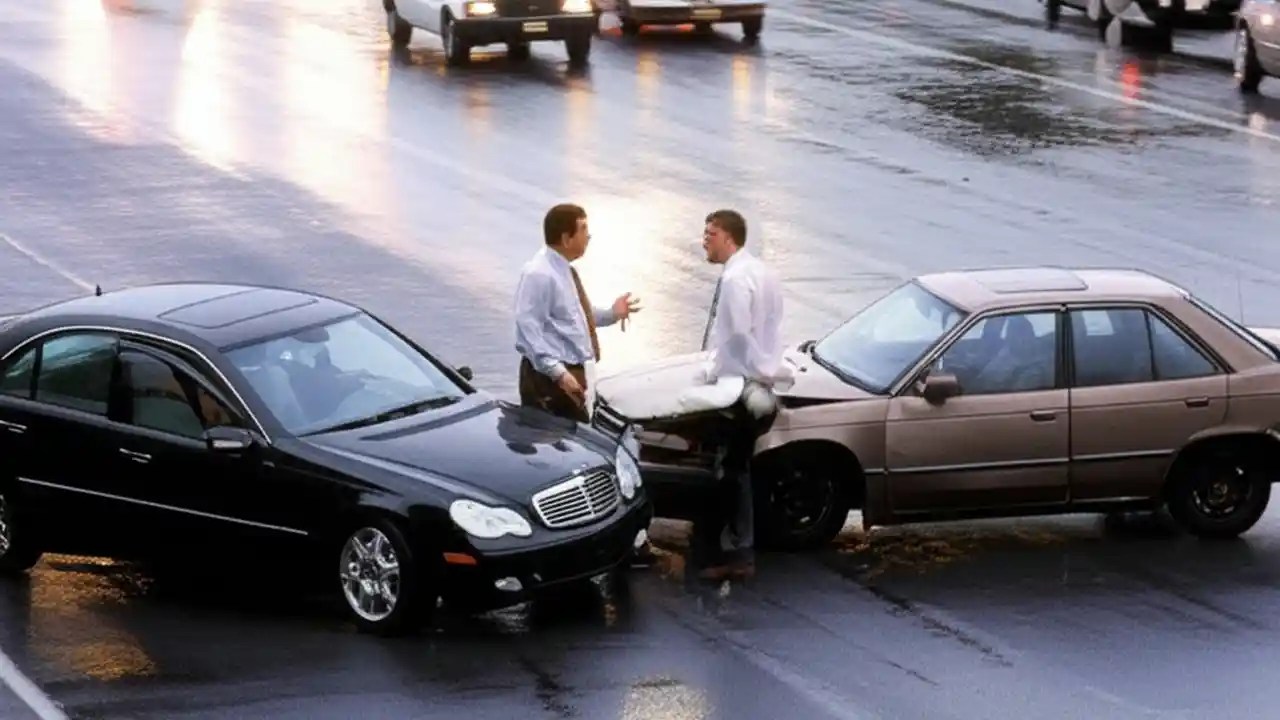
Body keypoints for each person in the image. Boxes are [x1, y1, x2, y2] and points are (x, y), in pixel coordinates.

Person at [692, 209, 790, 582]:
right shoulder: (763, 272)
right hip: (761, 379)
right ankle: (739, 549)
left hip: (741, 386)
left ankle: (733, 553)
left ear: (729, 238)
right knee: (740, 470)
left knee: (729, 475)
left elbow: (735, 337)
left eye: (711, 234)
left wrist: (714, 373)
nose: (705, 240)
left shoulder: (734, 279)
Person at [514, 203, 640, 423]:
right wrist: (559, 374)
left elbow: (574, 316)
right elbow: (527, 330)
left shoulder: (563, 270)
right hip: (549, 381)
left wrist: (612, 314)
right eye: (583, 229)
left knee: (575, 443)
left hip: (570, 375)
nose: (588, 236)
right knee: (554, 446)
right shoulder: (539, 274)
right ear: (566, 238)